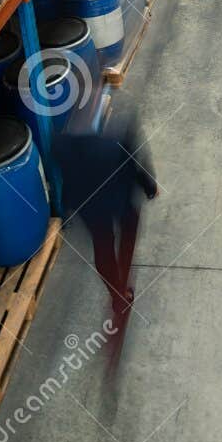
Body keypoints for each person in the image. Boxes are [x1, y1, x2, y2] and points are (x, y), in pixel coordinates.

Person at [53, 115, 158, 318]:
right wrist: (150, 187)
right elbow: (135, 164)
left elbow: (63, 171)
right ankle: (123, 287)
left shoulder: (63, 146)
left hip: (86, 199)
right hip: (113, 193)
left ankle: (117, 295)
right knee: (129, 226)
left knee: (102, 243)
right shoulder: (118, 143)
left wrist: (65, 207)